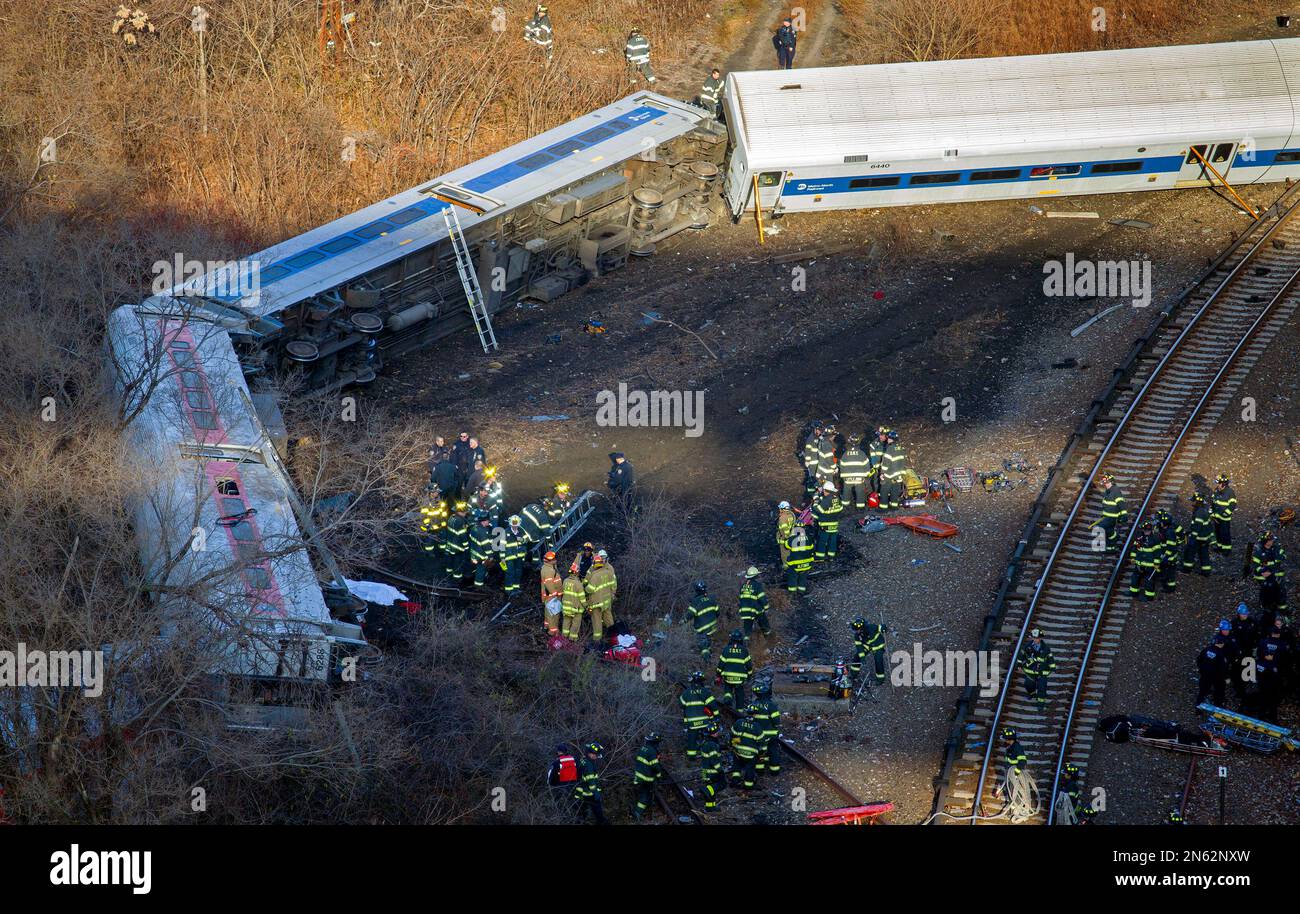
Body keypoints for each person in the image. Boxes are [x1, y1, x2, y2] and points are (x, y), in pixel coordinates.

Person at [745, 679, 782, 775]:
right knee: (773, 751)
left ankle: (760, 771)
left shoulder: (754, 705)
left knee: (761, 751)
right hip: (771, 734)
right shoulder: (771, 705)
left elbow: (749, 718)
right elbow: (776, 721)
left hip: (759, 734)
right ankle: (774, 771)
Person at [680, 670, 719, 760]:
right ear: (702, 681)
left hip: (692, 723)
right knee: (707, 738)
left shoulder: (686, 693)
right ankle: (708, 753)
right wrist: (716, 717)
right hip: (704, 722)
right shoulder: (705, 691)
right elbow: (713, 705)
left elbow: (681, 705)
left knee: (692, 740)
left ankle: (691, 756)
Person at [1252, 531, 1288, 619]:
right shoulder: (1258, 551)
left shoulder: (1276, 548)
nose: (1272, 541)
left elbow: (1283, 557)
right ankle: (1268, 609)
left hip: (1278, 575)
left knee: (1281, 591)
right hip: (1265, 577)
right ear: (1265, 541)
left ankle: (1283, 609)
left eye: (1272, 540)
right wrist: (1262, 571)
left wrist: (1273, 562)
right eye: (1270, 540)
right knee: (1268, 592)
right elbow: (1255, 566)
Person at [1017, 627, 1056, 708]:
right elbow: (1021, 655)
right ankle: (1032, 694)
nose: (1035, 639)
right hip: (1030, 671)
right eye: (1034, 637)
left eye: (1037, 638)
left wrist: (1052, 667)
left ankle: (1040, 704)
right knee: (1028, 685)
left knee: (1042, 688)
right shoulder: (1027, 646)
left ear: (1040, 638)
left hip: (1042, 672)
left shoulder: (1045, 648)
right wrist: (1019, 665)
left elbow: (1050, 658)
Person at [584, 551, 617, 645]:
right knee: (608, 617)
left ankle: (597, 641)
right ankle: (614, 636)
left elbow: (590, 589)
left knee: (596, 621)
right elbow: (613, 584)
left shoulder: (596, 575)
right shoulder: (608, 572)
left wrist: (584, 588)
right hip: (606, 600)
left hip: (596, 602)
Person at [1090, 474, 1127, 553]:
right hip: (1106, 516)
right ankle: (1111, 547)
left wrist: (1124, 514)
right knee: (1109, 531)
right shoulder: (1108, 490)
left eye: (1106, 483)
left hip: (1112, 517)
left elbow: (1121, 503)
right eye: (1104, 483)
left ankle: (1109, 542)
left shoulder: (1115, 491)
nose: (1105, 484)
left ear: (1111, 482)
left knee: (1100, 528)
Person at [729, 709, 765, 790]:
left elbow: (733, 735)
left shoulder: (738, 722)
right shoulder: (757, 726)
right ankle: (748, 786)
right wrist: (760, 753)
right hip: (751, 754)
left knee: (736, 765)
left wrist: (734, 745)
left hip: (738, 751)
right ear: (754, 715)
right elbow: (761, 742)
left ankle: (735, 781)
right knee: (750, 769)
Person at [632, 732, 663, 820]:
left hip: (639, 776)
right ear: (655, 742)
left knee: (643, 794)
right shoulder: (652, 751)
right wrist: (659, 775)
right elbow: (655, 766)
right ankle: (637, 812)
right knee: (645, 796)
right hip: (646, 778)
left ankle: (640, 811)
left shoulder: (643, 748)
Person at [574, 742, 607, 824]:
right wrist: (596, 792)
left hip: (581, 792)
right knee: (599, 814)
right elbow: (590, 780)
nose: (596, 757)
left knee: (582, 813)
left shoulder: (583, 760)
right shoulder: (589, 765)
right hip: (590, 794)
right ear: (592, 754)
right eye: (596, 755)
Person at [717, 630, 752, 707]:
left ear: (731, 639)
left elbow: (721, 664)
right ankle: (740, 711)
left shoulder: (726, 649)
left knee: (728, 689)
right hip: (740, 679)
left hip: (728, 677)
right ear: (740, 639)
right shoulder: (744, 650)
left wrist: (718, 675)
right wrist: (749, 675)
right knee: (739, 694)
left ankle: (727, 699)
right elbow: (749, 665)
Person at [687, 581, 720, 659]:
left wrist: (682, 621)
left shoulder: (696, 601)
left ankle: (706, 661)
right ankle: (709, 652)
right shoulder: (711, 599)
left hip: (702, 628)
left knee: (703, 645)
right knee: (707, 641)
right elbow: (718, 613)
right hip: (712, 627)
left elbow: (689, 615)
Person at [811, 480, 843, 561]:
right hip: (835, 524)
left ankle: (820, 557)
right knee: (832, 540)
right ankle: (831, 556)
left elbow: (818, 509)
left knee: (822, 541)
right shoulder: (837, 498)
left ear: (825, 491)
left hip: (825, 525)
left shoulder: (826, 501)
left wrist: (816, 500)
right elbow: (841, 508)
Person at [1128, 520, 1160, 602]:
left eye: (1148, 530)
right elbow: (1135, 548)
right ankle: (1133, 592)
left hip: (1149, 566)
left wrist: (1156, 563)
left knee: (1149, 581)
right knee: (1135, 578)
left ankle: (1149, 597)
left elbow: (1157, 553)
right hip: (1139, 564)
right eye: (1145, 530)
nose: (1147, 532)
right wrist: (1132, 557)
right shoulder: (1139, 538)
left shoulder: (1155, 540)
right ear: (1143, 530)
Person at [849, 617, 887, 685]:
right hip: (867, 645)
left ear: (861, 628)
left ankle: (880, 679)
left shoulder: (870, 627)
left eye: (856, 630)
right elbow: (859, 646)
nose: (855, 632)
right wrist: (862, 657)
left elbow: (880, 627)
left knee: (878, 660)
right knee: (857, 657)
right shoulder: (857, 635)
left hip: (877, 645)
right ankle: (853, 674)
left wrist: (883, 628)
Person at [1182, 492, 1213, 575]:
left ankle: (1187, 569)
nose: (1192, 503)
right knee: (1204, 554)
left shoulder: (1199, 513)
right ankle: (1206, 572)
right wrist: (1189, 530)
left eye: (1193, 501)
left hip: (1199, 538)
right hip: (1205, 538)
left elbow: (1197, 527)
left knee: (1189, 552)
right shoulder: (1203, 511)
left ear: (1197, 502)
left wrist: (1192, 538)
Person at [738, 567, 772, 640]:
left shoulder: (743, 586)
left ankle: (747, 645)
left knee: (747, 630)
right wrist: (766, 608)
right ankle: (769, 641)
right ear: (755, 576)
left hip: (744, 611)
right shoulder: (757, 585)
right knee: (765, 625)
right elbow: (762, 598)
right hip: (756, 610)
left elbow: (741, 599)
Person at [839, 435, 871, 511]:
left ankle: (845, 507)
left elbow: (842, 465)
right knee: (860, 493)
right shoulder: (862, 453)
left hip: (848, 479)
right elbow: (867, 465)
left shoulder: (845, 454)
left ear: (849, 443)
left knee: (846, 492)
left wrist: (843, 477)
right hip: (859, 479)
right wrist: (866, 476)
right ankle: (860, 508)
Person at [1155, 509, 1182, 595]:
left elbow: (1170, 547)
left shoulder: (1170, 532)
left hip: (1170, 557)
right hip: (1167, 555)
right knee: (1166, 571)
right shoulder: (1166, 530)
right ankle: (1165, 582)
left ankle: (1170, 588)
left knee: (1170, 573)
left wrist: (1166, 555)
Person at [699, 720, 725, 810]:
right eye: (717, 732)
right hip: (712, 772)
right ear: (713, 734)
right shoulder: (712, 745)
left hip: (705, 772)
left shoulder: (706, 742)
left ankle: (710, 807)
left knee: (711, 788)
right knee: (722, 784)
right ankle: (705, 790)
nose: (718, 733)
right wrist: (720, 770)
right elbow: (714, 760)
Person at [878, 429, 907, 511]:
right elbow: (903, 461)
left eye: (889, 438)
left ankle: (883, 508)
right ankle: (894, 506)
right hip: (898, 475)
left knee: (884, 491)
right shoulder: (901, 448)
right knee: (895, 491)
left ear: (891, 439)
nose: (888, 439)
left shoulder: (890, 449)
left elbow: (885, 463)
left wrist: (882, 473)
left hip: (889, 475)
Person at [1196, 637, 1229, 707]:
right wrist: (1225, 678)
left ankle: (1198, 707)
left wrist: (1201, 669)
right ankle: (1218, 705)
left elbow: (1199, 659)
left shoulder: (1207, 649)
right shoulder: (1220, 654)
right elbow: (1222, 669)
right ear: (1221, 644)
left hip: (1204, 675)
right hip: (1215, 677)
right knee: (1218, 691)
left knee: (1202, 692)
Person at [442, 501, 470, 581]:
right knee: (458, 563)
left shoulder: (452, 517)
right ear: (460, 512)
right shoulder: (461, 521)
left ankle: (448, 574)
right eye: (465, 512)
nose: (466, 513)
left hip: (450, 544)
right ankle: (457, 578)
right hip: (458, 547)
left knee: (450, 561)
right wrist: (466, 547)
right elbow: (463, 536)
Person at [500, 515, 526, 596]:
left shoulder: (521, 531)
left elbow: (526, 540)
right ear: (510, 524)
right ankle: (508, 590)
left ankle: (516, 589)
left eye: (516, 525)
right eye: (513, 525)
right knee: (510, 573)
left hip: (519, 556)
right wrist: (502, 558)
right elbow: (502, 546)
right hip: (509, 557)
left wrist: (522, 539)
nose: (515, 526)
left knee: (518, 572)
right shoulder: (505, 532)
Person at [785, 524, 814, 594]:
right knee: (803, 577)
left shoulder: (792, 538)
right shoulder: (809, 538)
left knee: (792, 577)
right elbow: (812, 548)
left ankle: (792, 593)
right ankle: (801, 591)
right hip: (807, 563)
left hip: (795, 564)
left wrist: (791, 536)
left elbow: (786, 546)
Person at [561, 561, 587, 641]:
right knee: (576, 624)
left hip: (566, 608)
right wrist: (586, 606)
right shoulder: (578, 584)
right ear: (576, 573)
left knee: (566, 623)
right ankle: (572, 639)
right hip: (576, 609)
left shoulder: (565, 581)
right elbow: (582, 598)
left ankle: (563, 638)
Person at [469, 510, 495, 588]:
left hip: (474, 553)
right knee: (481, 569)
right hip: (481, 556)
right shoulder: (483, 532)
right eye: (488, 520)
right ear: (484, 521)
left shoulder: (474, 528)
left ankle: (477, 578)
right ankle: (479, 586)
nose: (489, 521)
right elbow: (486, 545)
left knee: (477, 568)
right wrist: (491, 555)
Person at [540, 550, 563, 636]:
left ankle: (547, 627)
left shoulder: (549, 567)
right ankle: (553, 632)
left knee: (548, 613)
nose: (556, 560)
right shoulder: (549, 570)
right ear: (550, 560)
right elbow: (549, 585)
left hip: (550, 596)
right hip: (552, 596)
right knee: (554, 615)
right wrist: (555, 594)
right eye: (554, 559)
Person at [1212, 474, 1236, 554]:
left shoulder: (1230, 492)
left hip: (1224, 519)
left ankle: (1226, 550)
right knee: (1218, 533)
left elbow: (1232, 505)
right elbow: (1213, 503)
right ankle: (1220, 547)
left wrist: (1226, 514)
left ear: (1222, 484)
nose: (1217, 485)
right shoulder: (1216, 491)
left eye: (1218, 483)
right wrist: (1212, 514)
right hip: (1216, 517)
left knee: (1225, 534)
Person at [775, 500, 795, 566]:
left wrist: (786, 538)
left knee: (784, 554)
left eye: (780, 508)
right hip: (792, 537)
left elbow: (784, 530)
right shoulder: (791, 514)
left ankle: (786, 566)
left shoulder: (782, 518)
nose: (779, 510)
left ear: (782, 508)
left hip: (784, 539)